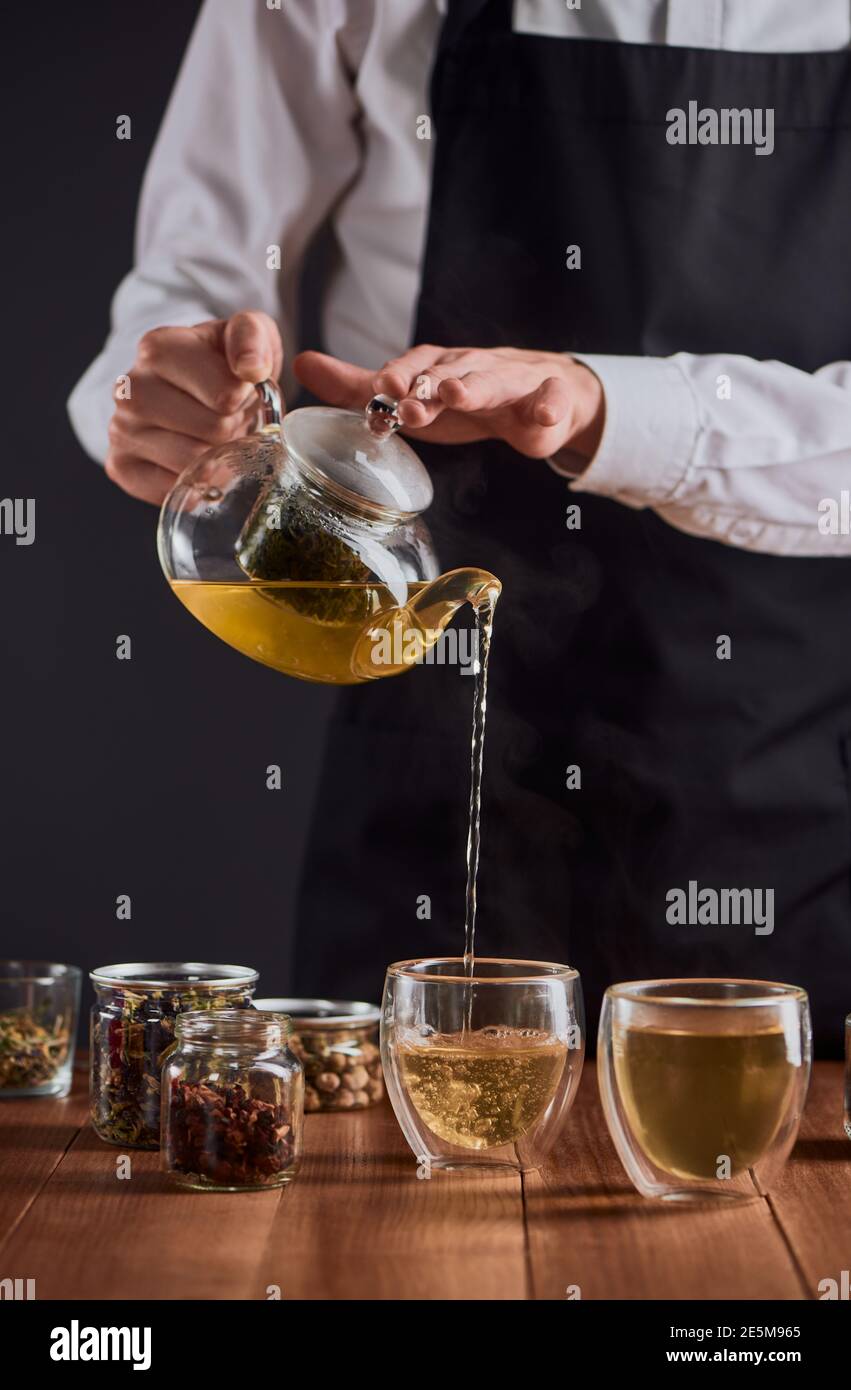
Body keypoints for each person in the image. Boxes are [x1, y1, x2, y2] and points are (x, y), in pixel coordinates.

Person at [69, 1, 851, 1053]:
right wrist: (171, 383)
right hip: (423, 698)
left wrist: (597, 405)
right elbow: (192, 277)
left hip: (787, 768)